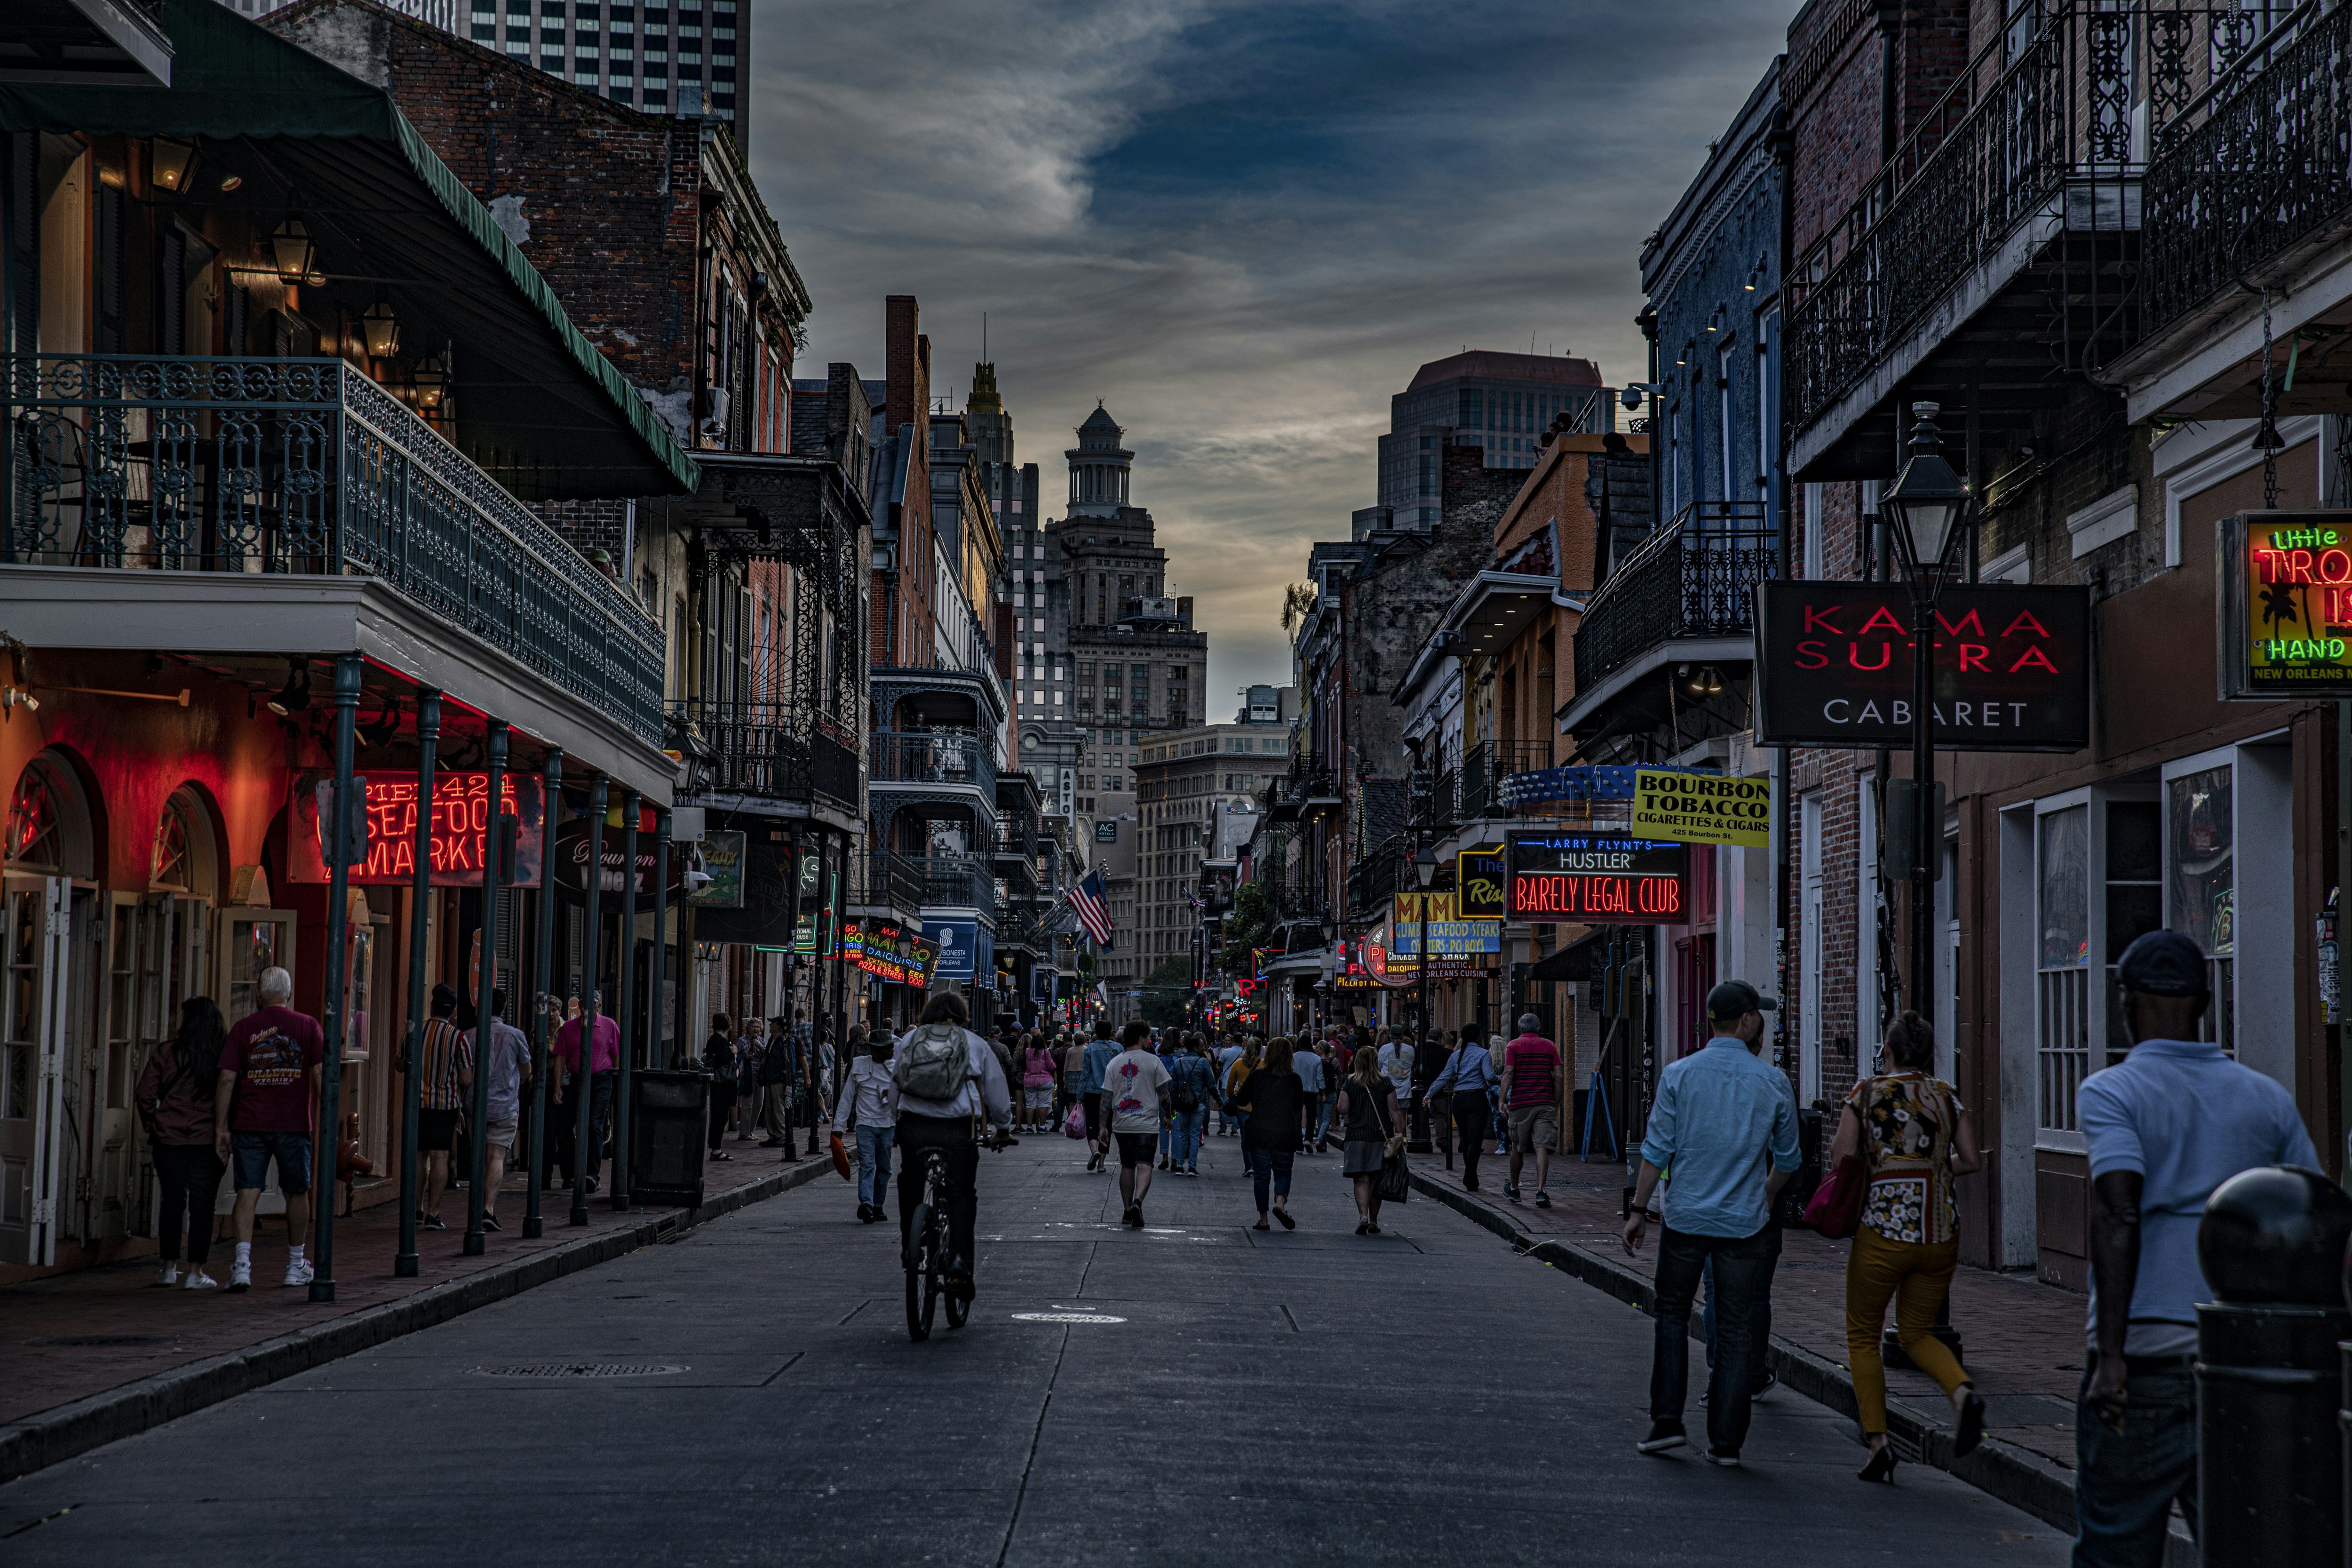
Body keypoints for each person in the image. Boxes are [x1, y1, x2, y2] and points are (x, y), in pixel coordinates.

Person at [2072, 931, 2317, 1566]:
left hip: (2145, 1360)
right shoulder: (2267, 1099)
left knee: (2115, 1546)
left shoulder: (2112, 1092)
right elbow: (2314, 1221)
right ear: (2206, 1003)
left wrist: (2111, 1357)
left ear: (2127, 1003)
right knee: (2247, 1543)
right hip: (2241, 1362)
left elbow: (2118, 1209)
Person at [1622, 979, 1798, 1469]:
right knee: (1738, 1329)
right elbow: (1788, 1158)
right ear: (1744, 1022)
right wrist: (1763, 1194)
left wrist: (1638, 1212)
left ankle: (1665, 1423)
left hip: (1685, 1216)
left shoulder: (1679, 1075)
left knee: (1672, 1316)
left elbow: (1656, 1150)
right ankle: (1726, 1442)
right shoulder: (1772, 1082)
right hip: (1744, 1222)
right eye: (1756, 1017)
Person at [1835, 1009, 1986, 1482]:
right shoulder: (1945, 1096)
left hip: (1882, 1231)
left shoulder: (1866, 1094)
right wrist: (1934, 1170)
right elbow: (1970, 1160)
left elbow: (1841, 1158)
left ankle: (1878, 1441)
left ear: (1889, 1051)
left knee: (1863, 1333)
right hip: (1938, 1231)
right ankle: (1961, 1394)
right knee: (1917, 1332)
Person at [890, 989, 1013, 1300]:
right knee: (961, 1194)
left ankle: (911, 1246)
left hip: (914, 1126)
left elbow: (895, 1083)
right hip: (958, 1130)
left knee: (910, 1181)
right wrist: (1003, 1128)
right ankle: (959, 1261)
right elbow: (996, 1089)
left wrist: (896, 1121)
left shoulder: (910, 1040)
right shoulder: (975, 1043)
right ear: (962, 1016)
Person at [212, 967, 326, 1291]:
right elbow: (319, 1077)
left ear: (259, 994)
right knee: (297, 1191)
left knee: (248, 1189)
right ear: (287, 994)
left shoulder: (243, 1029)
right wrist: (323, 1123)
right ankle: (295, 1264)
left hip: (250, 1122)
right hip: (294, 1123)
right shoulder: (308, 1026)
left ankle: (243, 1265)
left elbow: (227, 1079)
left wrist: (222, 1127)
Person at [136, 996, 230, 1290]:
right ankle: (195, 1272)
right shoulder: (221, 1056)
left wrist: (155, 1123)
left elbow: (144, 1095)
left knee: (172, 1202)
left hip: (169, 1140)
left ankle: (167, 1268)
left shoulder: (166, 1053)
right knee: (204, 1206)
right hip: (207, 1140)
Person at [407, 983, 473, 1229]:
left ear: (432, 1006)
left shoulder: (417, 1031)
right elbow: (466, 1078)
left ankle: (416, 1210)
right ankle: (433, 1214)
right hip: (444, 1106)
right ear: (453, 1011)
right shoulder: (458, 1038)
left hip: (418, 1105)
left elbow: (401, 1063)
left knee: (418, 1157)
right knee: (440, 1158)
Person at [1102, 1020, 1171, 1227]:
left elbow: (1106, 1099)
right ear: (1141, 1038)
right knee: (1145, 1165)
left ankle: (1126, 1210)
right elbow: (1164, 1095)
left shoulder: (1114, 1064)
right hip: (1147, 1124)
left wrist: (1102, 1126)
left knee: (1127, 1165)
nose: (1149, 1041)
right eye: (1147, 1037)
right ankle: (1138, 1201)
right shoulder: (1153, 1061)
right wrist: (1169, 1116)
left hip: (1122, 1123)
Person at [1232, 1035, 1304, 1230]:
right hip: (1284, 1132)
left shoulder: (1257, 1076)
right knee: (1283, 1173)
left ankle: (1263, 1220)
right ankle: (1280, 1204)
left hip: (1259, 1132)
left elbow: (1241, 1100)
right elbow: (1298, 1106)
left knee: (1262, 1177)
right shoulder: (1295, 1079)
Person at [549, 995, 620, 1193]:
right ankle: (570, 1173)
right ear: (579, 1006)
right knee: (565, 1126)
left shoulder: (609, 1025)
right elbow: (560, 1059)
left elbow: (616, 1056)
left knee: (593, 1124)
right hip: (576, 1080)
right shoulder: (569, 1028)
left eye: (592, 1003)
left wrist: (613, 1085)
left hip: (600, 1080)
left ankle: (592, 1175)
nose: (587, 1008)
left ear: (599, 1004)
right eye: (584, 1004)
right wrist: (557, 1087)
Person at [833, 1025, 900, 1222]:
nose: (891, 1050)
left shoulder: (896, 1068)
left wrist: (895, 1094)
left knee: (885, 1168)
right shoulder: (860, 1065)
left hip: (888, 1125)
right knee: (867, 1165)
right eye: (887, 1047)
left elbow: (907, 1096)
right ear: (875, 1050)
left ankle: (878, 1205)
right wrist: (838, 1126)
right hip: (865, 1124)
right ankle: (866, 1204)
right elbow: (847, 1097)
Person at [478, 988, 532, 1231]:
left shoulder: (470, 1035)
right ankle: (488, 1208)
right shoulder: (515, 1035)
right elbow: (526, 1070)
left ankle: (477, 1207)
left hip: (476, 1105)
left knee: (481, 1157)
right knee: (497, 1157)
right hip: (505, 1104)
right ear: (504, 1008)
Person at [1336, 1040, 1403, 1234]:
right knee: (1375, 1179)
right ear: (1375, 1061)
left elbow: (1343, 1109)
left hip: (1356, 1135)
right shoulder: (1385, 1083)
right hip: (1379, 1138)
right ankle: (1373, 1221)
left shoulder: (1350, 1083)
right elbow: (1395, 1111)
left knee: (1360, 1178)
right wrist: (1399, 1134)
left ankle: (1363, 1216)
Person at [1500, 1012, 1563, 1208]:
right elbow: (1560, 1076)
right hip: (1544, 1103)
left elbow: (1509, 1073)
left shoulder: (1513, 1046)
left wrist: (1502, 1100)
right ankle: (1541, 1190)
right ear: (1538, 1028)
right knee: (1541, 1147)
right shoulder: (1550, 1046)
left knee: (1517, 1147)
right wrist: (1556, 1103)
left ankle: (1515, 1188)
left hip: (1521, 1103)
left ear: (1520, 1029)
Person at [1430, 1026, 1498, 1190]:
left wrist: (1429, 1094)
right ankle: (1469, 1174)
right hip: (1476, 1099)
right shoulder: (1483, 1054)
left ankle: (1472, 1177)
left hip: (1459, 1100)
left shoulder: (1455, 1056)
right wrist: (1504, 1079)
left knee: (1467, 1140)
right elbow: (1490, 1076)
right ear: (1478, 1037)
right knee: (1475, 1140)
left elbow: (1444, 1077)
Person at [1166, 1035, 1214, 1175]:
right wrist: (1220, 1102)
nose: (1204, 1048)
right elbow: (1211, 1084)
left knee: (1183, 1134)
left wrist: (1173, 1107)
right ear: (1195, 1048)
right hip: (1198, 1103)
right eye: (1201, 1046)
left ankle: (1180, 1166)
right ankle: (1192, 1167)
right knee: (1194, 1135)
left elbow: (1174, 1088)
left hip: (1183, 1104)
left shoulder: (1179, 1063)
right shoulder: (1203, 1062)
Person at [1079, 1020, 1118, 1171]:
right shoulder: (1118, 1048)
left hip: (1092, 1091)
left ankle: (1094, 1149)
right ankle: (1101, 1163)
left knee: (1092, 1124)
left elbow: (1086, 1073)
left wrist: (1080, 1094)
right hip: (1111, 1093)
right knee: (1107, 1126)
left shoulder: (1091, 1049)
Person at [702, 1013, 739, 1162]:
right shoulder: (722, 1042)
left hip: (717, 1084)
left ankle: (716, 1149)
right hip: (722, 1085)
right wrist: (733, 1053)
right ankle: (716, 1150)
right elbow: (721, 1061)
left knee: (719, 1116)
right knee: (721, 1117)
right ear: (727, 1026)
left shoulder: (713, 1041)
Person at [758, 1015, 796, 1154]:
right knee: (769, 1108)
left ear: (778, 1026)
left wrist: (789, 1078)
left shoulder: (785, 1041)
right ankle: (773, 1135)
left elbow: (789, 1060)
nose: (770, 1025)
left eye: (772, 1023)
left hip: (779, 1079)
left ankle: (782, 1135)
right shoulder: (772, 1040)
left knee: (779, 1107)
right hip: (770, 1078)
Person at [1292, 1031, 1326, 1155]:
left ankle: (1299, 1145)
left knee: (1297, 1118)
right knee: (1311, 1117)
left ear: (1300, 1044)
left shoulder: (1294, 1057)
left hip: (1297, 1091)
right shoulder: (1316, 1059)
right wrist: (1323, 1091)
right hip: (1311, 1091)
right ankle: (1308, 1139)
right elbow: (1320, 1077)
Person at [1222, 1038, 1261, 1145]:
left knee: (1245, 1136)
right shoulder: (1264, 1064)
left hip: (1242, 1105)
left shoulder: (1239, 1064)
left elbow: (1230, 1087)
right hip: (1259, 1105)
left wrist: (1231, 1096)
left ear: (1246, 1048)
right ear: (1260, 1049)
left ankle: (1249, 1162)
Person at [1017, 1030, 1056, 1135]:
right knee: (1043, 1104)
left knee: (1030, 1104)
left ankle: (1030, 1127)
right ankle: (1042, 1127)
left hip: (1030, 1081)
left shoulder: (1027, 1051)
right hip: (1045, 1081)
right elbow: (1051, 1066)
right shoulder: (1046, 1052)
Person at [1377, 1027, 1414, 1121]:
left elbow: (1378, 1067)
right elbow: (1412, 1065)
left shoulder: (1384, 1049)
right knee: (1401, 1117)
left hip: (1387, 1088)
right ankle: (1400, 1135)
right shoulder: (1411, 1050)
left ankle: (1389, 1135)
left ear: (1391, 1036)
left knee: (1387, 1116)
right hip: (1404, 1089)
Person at [1214, 1031, 1245, 1135]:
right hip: (1240, 1084)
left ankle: (1223, 1128)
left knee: (1223, 1105)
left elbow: (1220, 1063)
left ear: (1233, 1041)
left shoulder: (1226, 1052)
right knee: (1238, 1106)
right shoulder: (1245, 1053)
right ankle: (1235, 1128)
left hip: (1227, 1082)